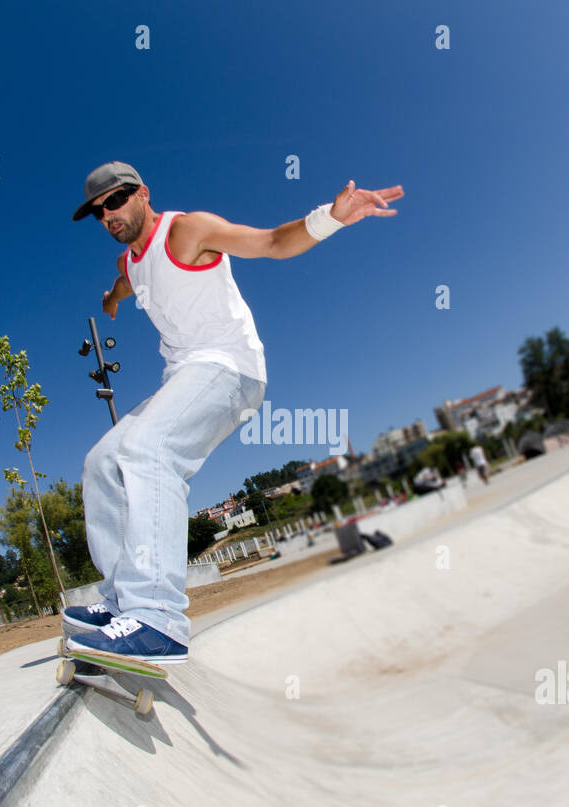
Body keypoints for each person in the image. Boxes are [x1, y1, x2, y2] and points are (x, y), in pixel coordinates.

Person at [61, 162, 403, 664]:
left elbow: (268, 242)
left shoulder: (188, 230)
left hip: (230, 371)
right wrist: (112, 301)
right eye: (98, 212)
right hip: (182, 381)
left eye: (115, 201)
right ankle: (121, 606)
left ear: (142, 194)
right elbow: (127, 287)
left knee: (147, 447)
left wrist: (330, 217)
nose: (107, 215)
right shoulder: (127, 265)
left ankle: (157, 619)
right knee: (101, 463)